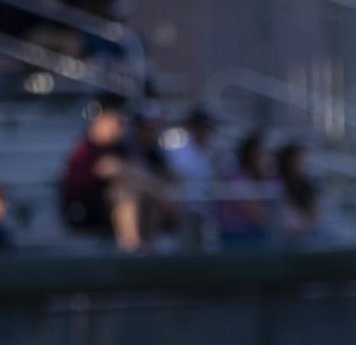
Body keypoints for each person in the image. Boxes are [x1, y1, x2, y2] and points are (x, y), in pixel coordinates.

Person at [59, 100, 162, 252]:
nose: (117, 126)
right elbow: (99, 174)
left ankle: (150, 249)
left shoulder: (121, 148)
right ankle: (130, 247)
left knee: (142, 191)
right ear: (98, 122)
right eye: (112, 120)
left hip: (118, 206)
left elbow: (137, 169)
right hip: (85, 209)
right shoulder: (84, 150)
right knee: (125, 190)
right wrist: (123, 169)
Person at [163, 106, 221, 248]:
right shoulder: (178, 151)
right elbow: (173, 178)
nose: (204, 131)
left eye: (206, 127)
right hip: (184, 210)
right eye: (200, 127)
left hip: (209, 211)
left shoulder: (214, 153)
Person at [216, 132, 277, 247]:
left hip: (257, 236)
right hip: (237, 240)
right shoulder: (239, 181)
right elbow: (262, 217)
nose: (268, 159)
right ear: (252, 156)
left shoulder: (267, 180)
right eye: (263, 154)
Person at [274, 141, 320, 244]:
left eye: (303, 160)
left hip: (307, 233)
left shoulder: (308, 185)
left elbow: (315, 216)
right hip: (284, 235)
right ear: (287, 162)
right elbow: (283, 218)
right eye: (297, 160)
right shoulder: (277, 184)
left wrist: (305, 227)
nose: (302, 164)